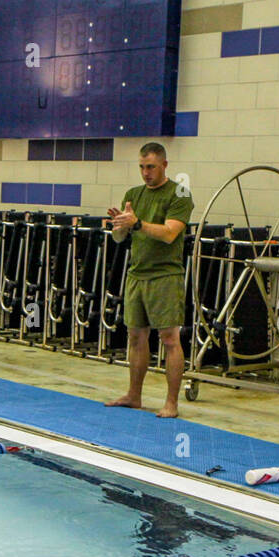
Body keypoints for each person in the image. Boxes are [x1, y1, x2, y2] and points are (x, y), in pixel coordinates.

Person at [105, 142, 194, 419]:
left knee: (169, 338)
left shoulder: (179, 194)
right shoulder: (133, 194)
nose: (146, 173)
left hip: (165, 275)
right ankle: (134, 395)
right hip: (137, 273)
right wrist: (119, 226)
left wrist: (137, 224)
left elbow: (169, 233)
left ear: (164, 165)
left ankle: (171, 402)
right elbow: (121, 238)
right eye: (142, 167)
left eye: (151, 167)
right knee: (135, 336)